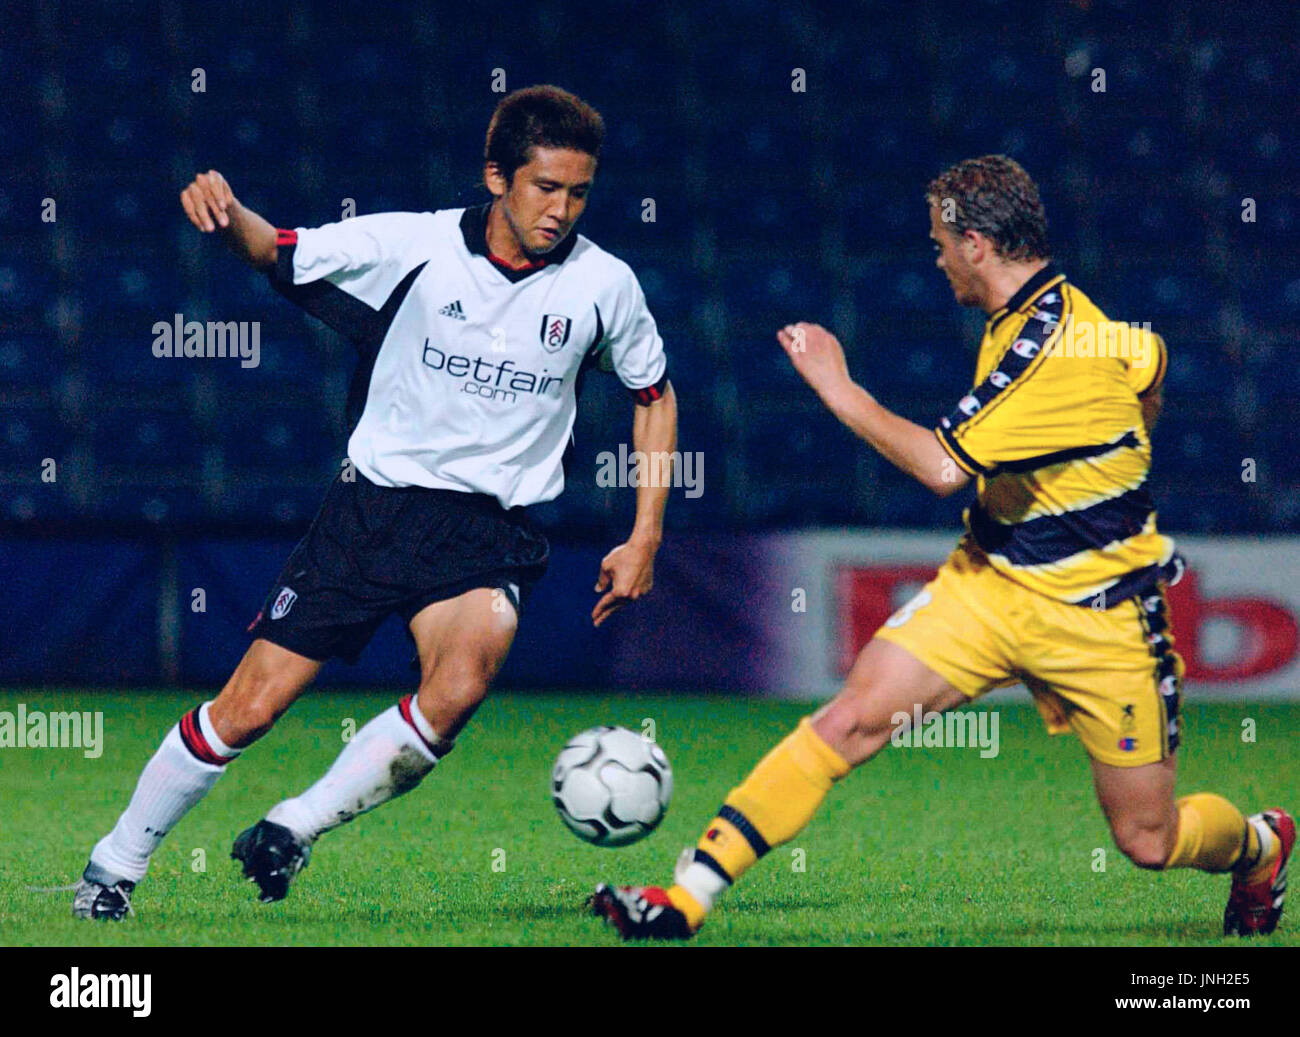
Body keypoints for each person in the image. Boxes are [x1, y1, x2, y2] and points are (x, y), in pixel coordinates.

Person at [591, 154, 1291, 940]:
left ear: (977, 246)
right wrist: (1111, 457)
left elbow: (938, 467)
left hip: (1102, 618)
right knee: (850, 719)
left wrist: (837, 386)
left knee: (1148, 840)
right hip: (989, 586)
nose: (935, 258)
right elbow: (1150, 369)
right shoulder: (1071, 318)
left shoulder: (1051, 354)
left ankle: (1262, 845)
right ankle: (684, 898)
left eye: (939, 244)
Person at [75, 85, 677, 920]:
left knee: (458, 686)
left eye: (579, 193)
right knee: (248, 708)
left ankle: (293, 825)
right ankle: (114, 864)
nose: (561, 210)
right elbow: (278, 251)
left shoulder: (605, 284)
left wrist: (645, 532)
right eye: (546, 188)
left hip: (489, 534)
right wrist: (229, 213)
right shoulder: (412, 243)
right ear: (497, 176)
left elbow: (654, 392)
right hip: (373, 515)